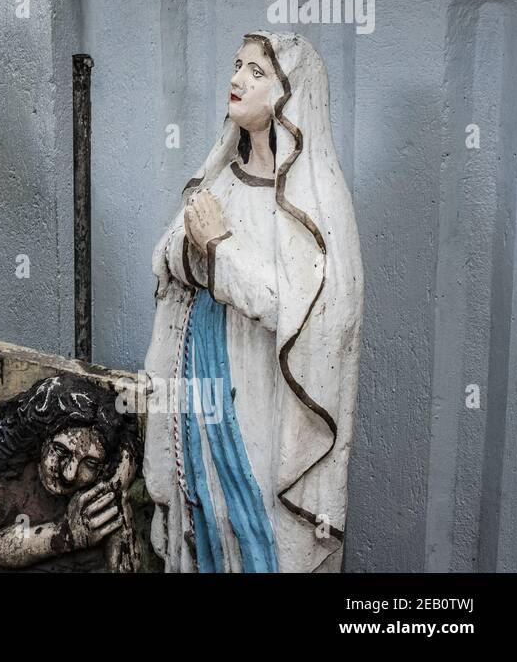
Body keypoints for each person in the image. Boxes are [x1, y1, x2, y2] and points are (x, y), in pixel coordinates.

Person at [143, 32, 364, 573]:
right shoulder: (221, 178)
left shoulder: (318, 201)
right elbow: (165, 260)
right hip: (204, 380)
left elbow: (309, 313)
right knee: (206, 513)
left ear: (292, 94)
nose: (236, 79)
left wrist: (221, 250)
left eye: (256, 72)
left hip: (267, 395)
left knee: (258, 520)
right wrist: (198, 249)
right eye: (236, 65)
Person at [0, 374, 141, 572]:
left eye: (90, 463)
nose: (70, 473)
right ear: (40, 437)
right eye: (61, 451)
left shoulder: (98, 488)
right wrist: (66, 534)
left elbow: (128, 437)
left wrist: (117, 484)